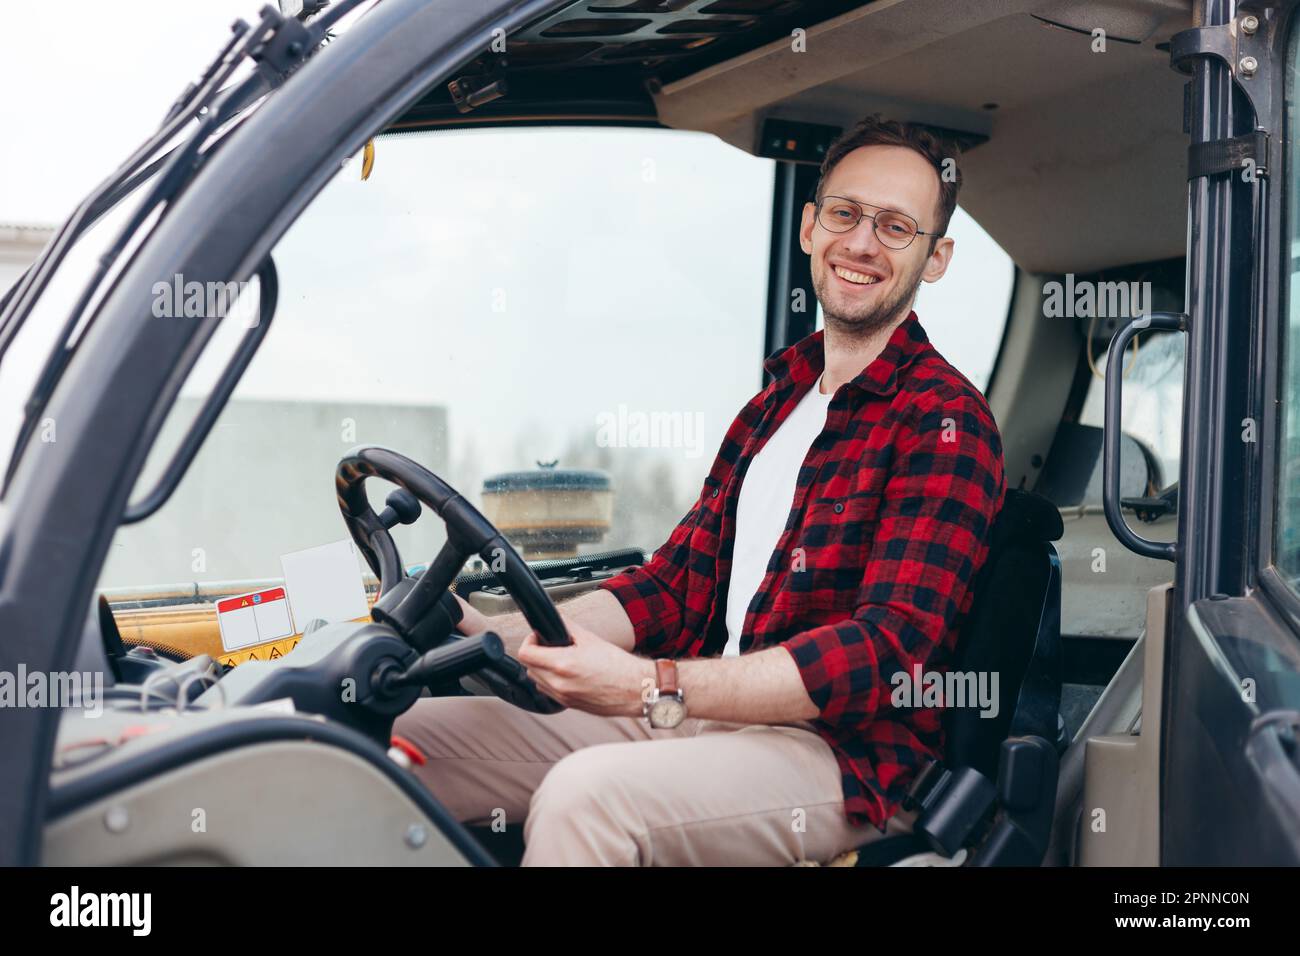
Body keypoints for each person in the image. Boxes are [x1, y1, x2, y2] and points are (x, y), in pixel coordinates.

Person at [393, 115, 1006, 866]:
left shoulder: (945, 422)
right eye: (845, 214)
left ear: (935, 258)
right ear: (812, 227)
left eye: (896, 226)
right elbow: (673, 586)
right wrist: (509, 633)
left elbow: (885, 653)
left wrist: (652, 686)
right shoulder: (776, 401)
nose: (861, 243)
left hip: (838, 759)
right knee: (387, 735)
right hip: (705, 719)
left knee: (589, 798)